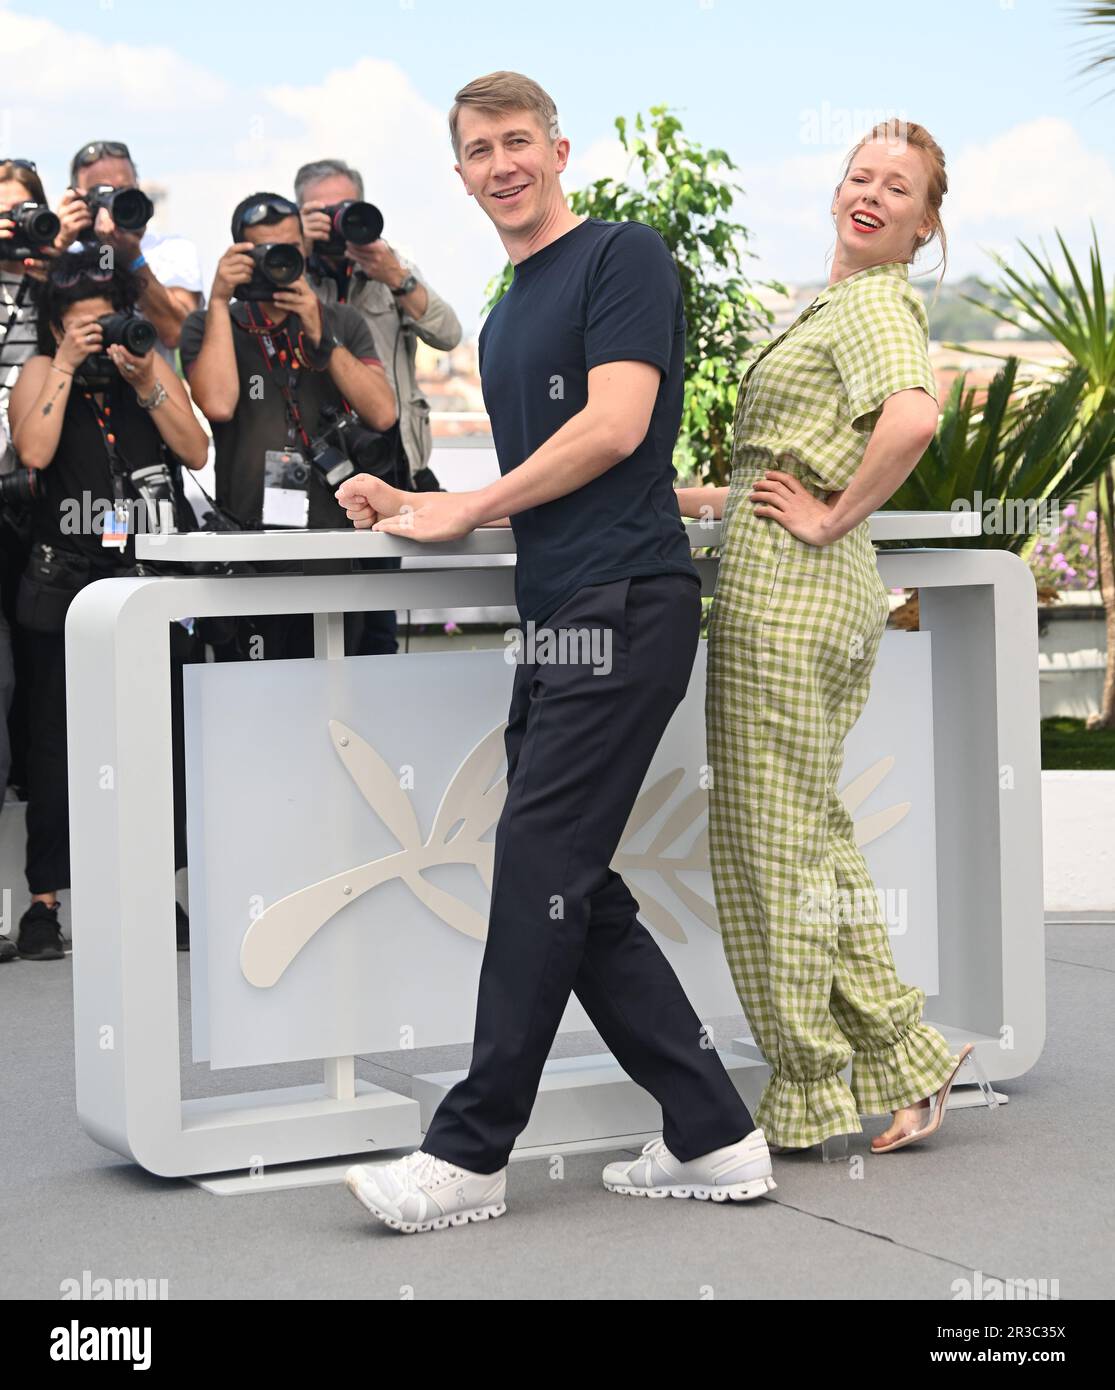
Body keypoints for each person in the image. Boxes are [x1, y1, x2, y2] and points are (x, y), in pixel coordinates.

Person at [338, 71, 774, 1235]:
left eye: (517, 140)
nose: (501, 164)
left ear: (557, 147)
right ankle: (713, 1132)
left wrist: (468, 507)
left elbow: (616, 424)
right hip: (560, 611)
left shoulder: (620, 254)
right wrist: (410, 498)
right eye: (478, 149)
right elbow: (580, 466)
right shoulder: (499, 313)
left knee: (540, 857)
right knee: (565, 881)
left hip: (625, 606)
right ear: (461, 171)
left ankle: (469, 1153)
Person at [677, 119, 978, 1155]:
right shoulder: (839, 304)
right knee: (802, 832)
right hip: (806, 586)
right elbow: (796, 456)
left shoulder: (870, 305)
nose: (871, 194)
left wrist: (828, 515)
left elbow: (912, 416)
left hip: (794, 590)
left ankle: (812, 1083)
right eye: (859, 175)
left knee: (769, 845)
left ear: (923, 222)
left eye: (897, 188)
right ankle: (901, 1057)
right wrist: (698, 497)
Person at [8, 249, 208, 960]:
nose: (97, 335)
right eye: (80, 324)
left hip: (149, 580)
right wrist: (64, 364)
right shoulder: (40, 370)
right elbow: (33, 450)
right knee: (55, 743)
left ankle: (159, 887)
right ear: (56, 324)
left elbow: (196, 451)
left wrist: (148, 376)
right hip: (66, 588)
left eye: (107, 321)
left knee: (160, 738)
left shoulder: (144, 366)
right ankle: (43, 903)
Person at [179, 193, 397, 661]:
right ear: (238, 255)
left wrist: (320, 331)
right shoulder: (210, 325)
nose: (276, 263)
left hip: (332, 550)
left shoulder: (339, 319)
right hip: (250, 555)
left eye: (288, 250)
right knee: (253, 698)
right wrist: (219, 300)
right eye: (261, 253)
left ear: (304, 248)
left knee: (337, 700)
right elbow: (217, 403)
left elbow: (382, 413)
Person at [297, 157, 463, 655]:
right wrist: (296, 250)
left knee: (377, 622)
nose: (336, 222)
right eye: (321, 213)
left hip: (388, 466)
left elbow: (448, 333)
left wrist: (396, 276)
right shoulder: (289, 274)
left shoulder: (389, 269)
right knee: (318, 619)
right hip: (318, 473)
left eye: (345, 208)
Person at [54, 140, 203, 362]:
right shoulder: (65, 253)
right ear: (77, 199)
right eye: (102, 193)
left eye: (125, 191)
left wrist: (132, 257)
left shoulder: (172, 250)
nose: (116, 201)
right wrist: (57, 245)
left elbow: (177, 333)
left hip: (150, 390)